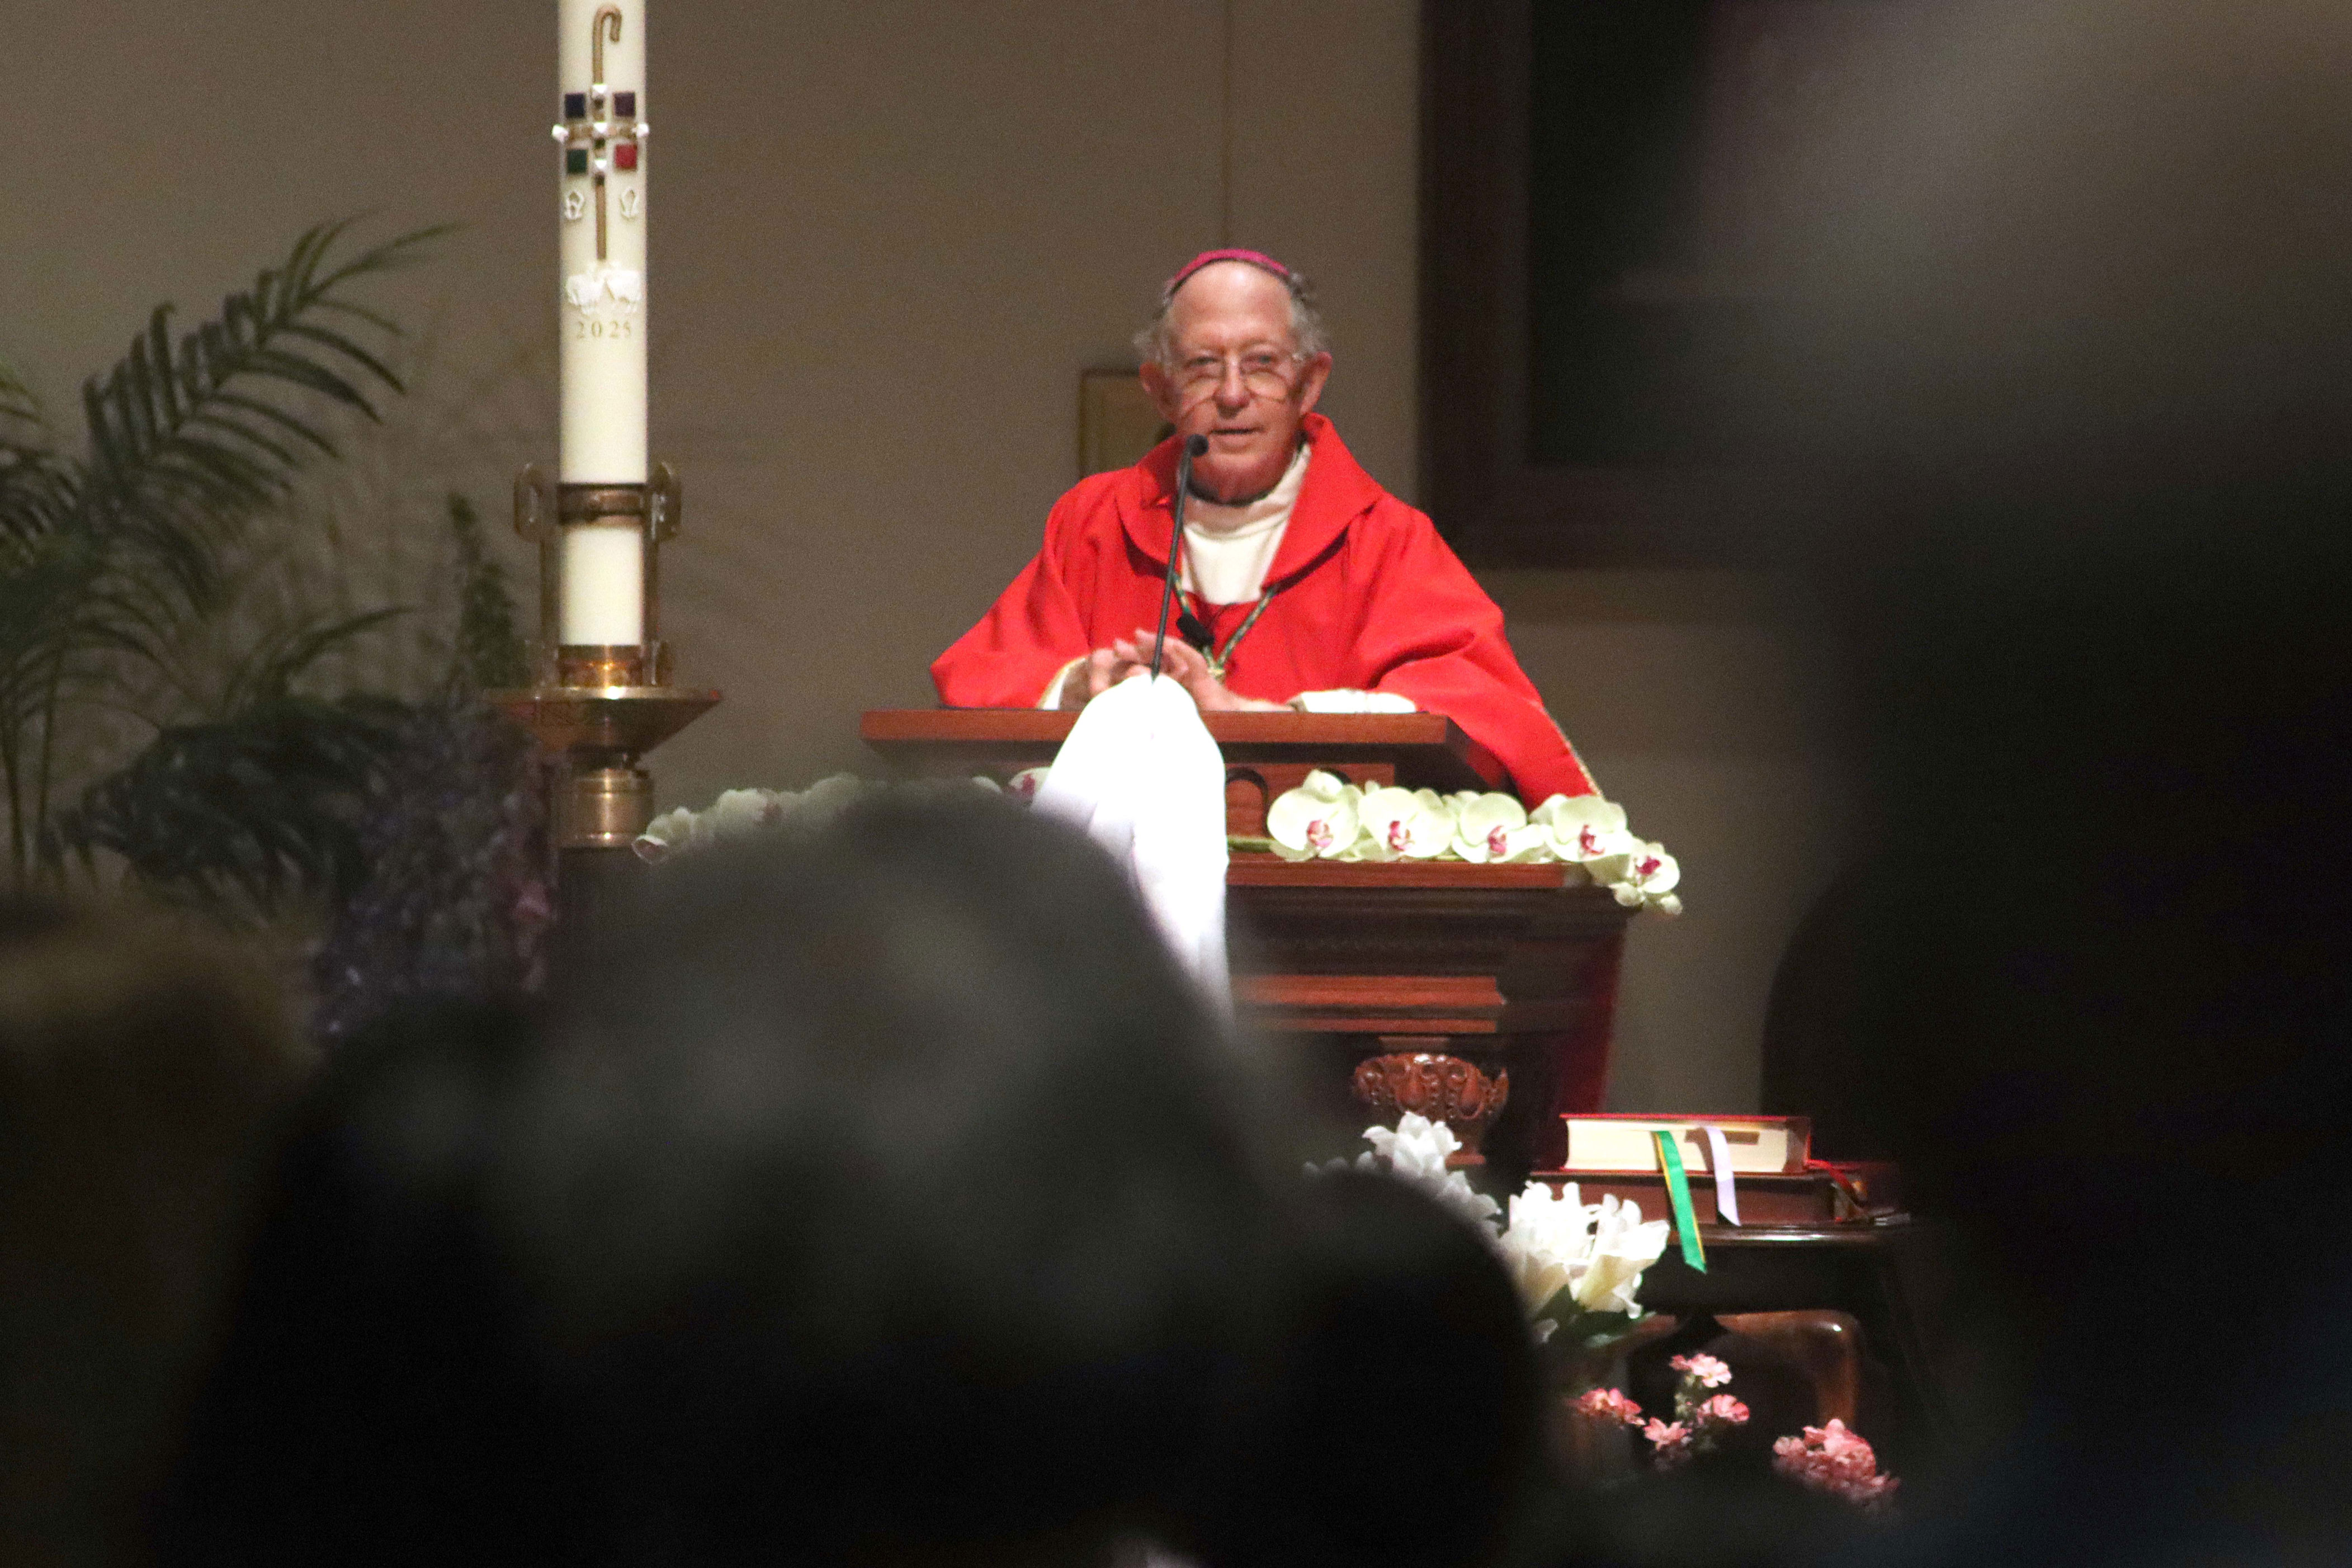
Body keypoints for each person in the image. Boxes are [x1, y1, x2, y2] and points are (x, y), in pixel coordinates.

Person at [932, 251, 1599, 805]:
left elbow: (1481, 712)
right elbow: (983, 682)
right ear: (1160, 392)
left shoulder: (1385, 540)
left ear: (1309, 383)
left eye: (1261, 364)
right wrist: (1077, 690)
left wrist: (1269, 722)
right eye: (1201, 366)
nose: (1230, 394)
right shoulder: (1094, 523)